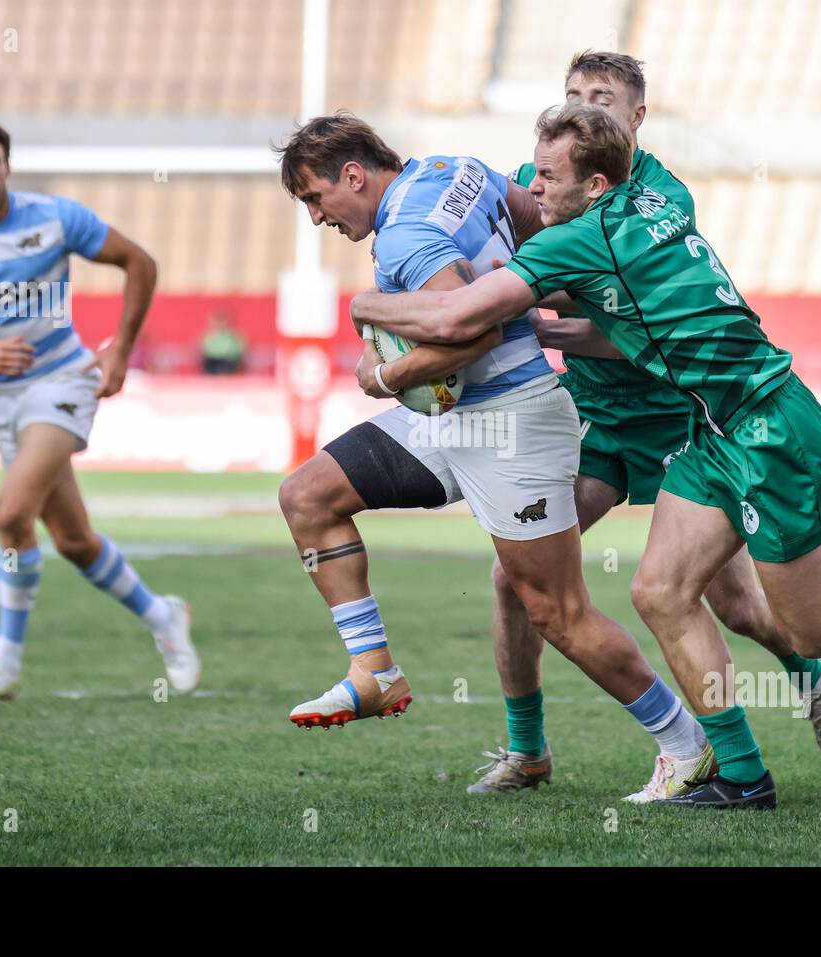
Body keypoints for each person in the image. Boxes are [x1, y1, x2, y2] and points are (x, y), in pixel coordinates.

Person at [351, 104, 821, 809]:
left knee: (815, 624)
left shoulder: (575, 239)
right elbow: (626, 325)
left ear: (596, 185)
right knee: (660, 590)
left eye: (546, 177)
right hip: (712, 427)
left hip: (769, 430)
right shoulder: (653, 196)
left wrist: (365, 309)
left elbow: (455, 315)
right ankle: (738, 773)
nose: (531, 188)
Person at [276, 112, 719, 801]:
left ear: (353, 175)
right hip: (456, 418)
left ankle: (686, 745)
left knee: (556, 611)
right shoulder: (453, 169)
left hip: (511, 421)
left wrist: (383, 371)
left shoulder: (408, 234)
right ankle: (375, 671)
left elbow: (471, 329)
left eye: (314, 198)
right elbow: (532, 221)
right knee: (309, 494)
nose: (315, 218)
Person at [472, 51, 821, 799]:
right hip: (597, 422)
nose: (589, 105)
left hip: (680, 415)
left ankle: (809, 673)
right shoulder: (541, 179)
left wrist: (518, 329)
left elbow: (629, 329)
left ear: (637, 116)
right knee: (515, 577)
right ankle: (527, 751)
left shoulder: (659, 193)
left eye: (605, 96)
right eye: (575, 93)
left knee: (736, 604)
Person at [0, 121, 200, 703]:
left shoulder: (55, 217)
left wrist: (121, 351)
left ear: (7, 165)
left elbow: (140, 262)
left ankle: (3, 662)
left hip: (62, 380)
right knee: (74, 540)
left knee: (12, 515)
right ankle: (163, 616)